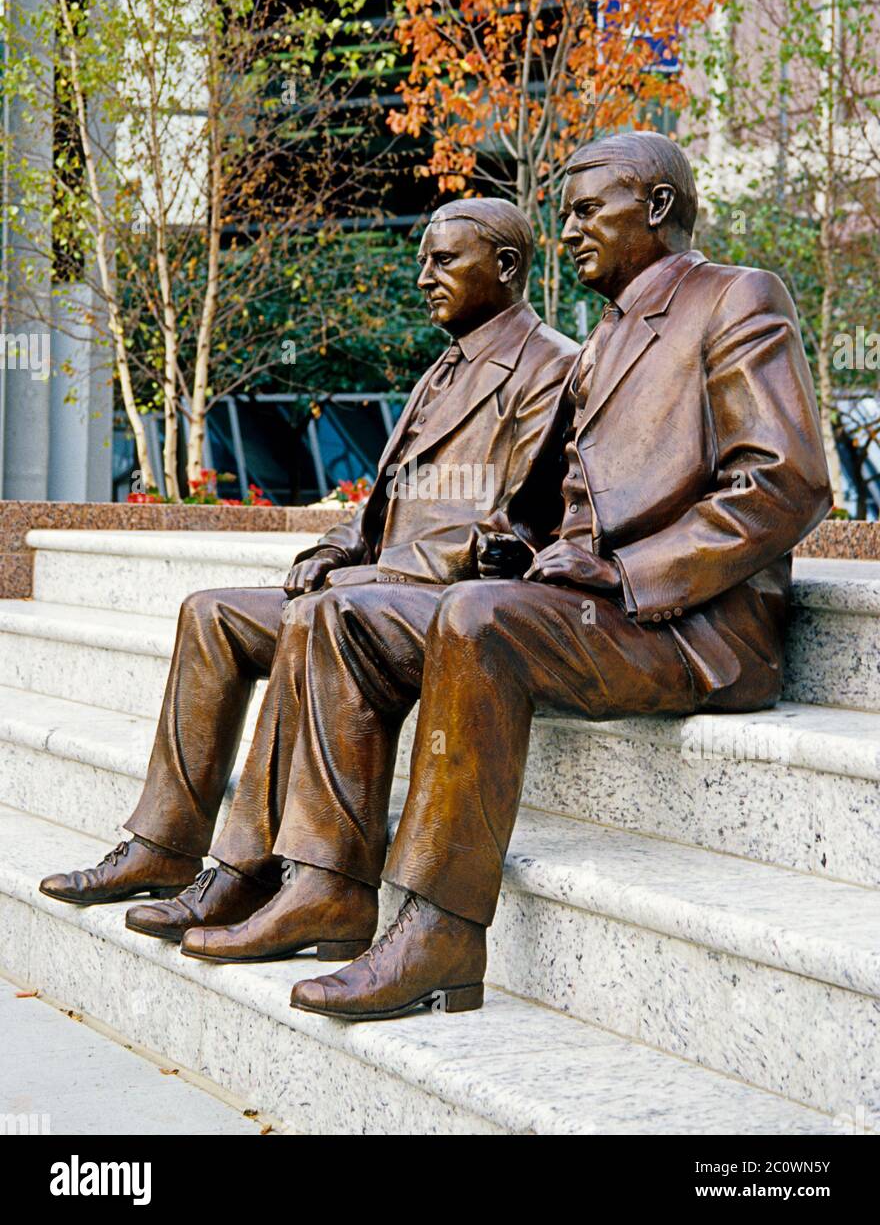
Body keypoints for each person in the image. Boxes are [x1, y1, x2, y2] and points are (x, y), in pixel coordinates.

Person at [221, 130, 830, 1020]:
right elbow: (567, 505)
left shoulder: (737, 298)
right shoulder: (599, 345)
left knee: (477, 621)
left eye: (589, 210)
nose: (572, 230)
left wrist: (622, 571)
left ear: (657, 209)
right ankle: (329, 884)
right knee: (337, 618)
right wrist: (526, 549)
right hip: (593, 605)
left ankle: (440, 934)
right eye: (564, 214)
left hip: (693, 628)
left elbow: (784, 482)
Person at [39, 199, 578, 963]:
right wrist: (336, 546)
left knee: (313, 620)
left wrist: (472, 558)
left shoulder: (551, 367)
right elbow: (382, 501)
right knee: (211, 613)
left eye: (444, 261)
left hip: (435, 602)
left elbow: (526, 517)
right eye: (422, 259)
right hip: (367, 583)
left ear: (509, 268)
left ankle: (250, 870)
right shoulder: (438, 371)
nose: (424, 277)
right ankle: (163, 844)